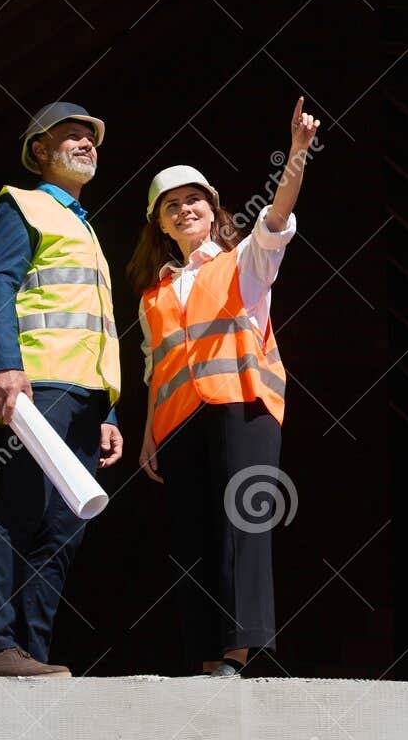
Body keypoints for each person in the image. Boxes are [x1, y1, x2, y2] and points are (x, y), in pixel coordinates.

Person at [129, 96, 319, 677]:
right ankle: (204, 655)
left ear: (212, 211)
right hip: (178, 422)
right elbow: (154, 368)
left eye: (193, 200)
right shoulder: (153, 295)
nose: (184, 210)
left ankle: (237, 652)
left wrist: (297, 153)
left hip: (243, 407)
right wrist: (148, 434)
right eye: (171, 206)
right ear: (160, 224)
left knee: (241, 524)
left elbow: (277, 218)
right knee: (192, 535)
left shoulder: (244, 263)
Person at [0, 102, 124, 678]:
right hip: (40, 384)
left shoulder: (84, 226)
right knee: (22, 509)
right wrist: (4, 366)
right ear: (39, 150)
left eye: (91, 137)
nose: (86, 144)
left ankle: (31, 654)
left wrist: (108, 410)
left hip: (85, 396)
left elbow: (96, 325)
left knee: (64, 530)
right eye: (71, 136)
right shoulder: (23, 205)